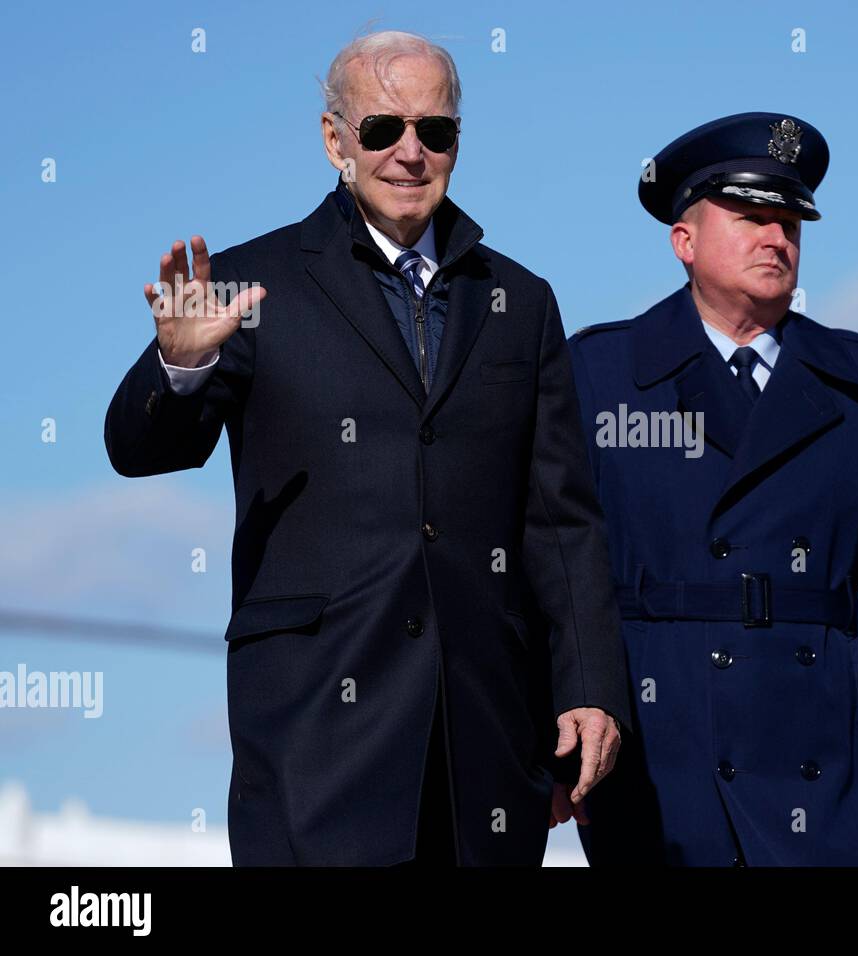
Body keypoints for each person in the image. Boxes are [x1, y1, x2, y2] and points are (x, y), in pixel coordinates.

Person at [103, 30, 629, 866]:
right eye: (382, 128)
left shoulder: (520, 302)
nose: (410, 153)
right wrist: (183, 360)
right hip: (316, 737)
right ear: (334, 140)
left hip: (485, 745)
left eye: (436, 130)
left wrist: (590, 687)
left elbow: (560, 521)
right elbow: (138, 450)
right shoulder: (247, 285)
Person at [565, 112, 858, 865]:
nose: (776, 238)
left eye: (790, 223)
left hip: (827, 768)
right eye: (750, 218)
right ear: (684, 240)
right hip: (659, 767)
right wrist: (542, 748)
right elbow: (559, 579)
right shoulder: (599, 374)